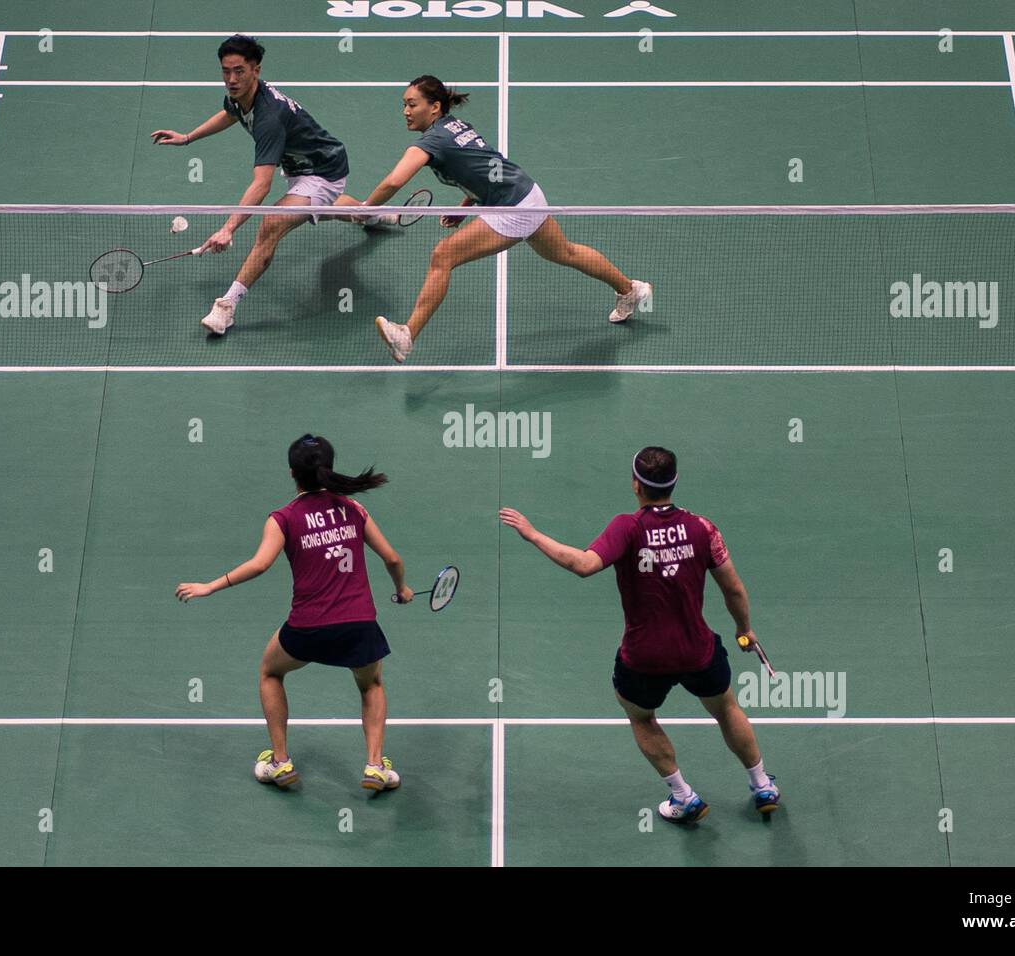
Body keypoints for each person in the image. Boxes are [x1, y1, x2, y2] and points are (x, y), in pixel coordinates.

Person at [498, 446, 780, 822]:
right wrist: (744, 629)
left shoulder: (627, 528)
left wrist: (533, 535)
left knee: (641, 717)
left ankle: (684, 796)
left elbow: (582, 565)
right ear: (674, 483)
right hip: (698, 650)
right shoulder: (702, 527)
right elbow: (734, 589)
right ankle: (762, 785)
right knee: (726, 709)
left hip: (643, 657)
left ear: (636, 485)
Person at [176, 434, 410, 793]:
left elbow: (259, 564)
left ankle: (281, 762)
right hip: (358, 625)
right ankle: (375, 766)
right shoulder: (353, 509)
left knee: (270, 672)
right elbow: (392, 558)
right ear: (328, 470)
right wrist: (401, 590)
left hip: (307, 627)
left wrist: (211, 585)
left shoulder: (283, 518)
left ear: (292, 473)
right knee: (371, 685)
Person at [362, 75, 652, 363]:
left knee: (443, 255)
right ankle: (631, 289)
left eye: (412, 104)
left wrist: (365, 210)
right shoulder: (456, 126)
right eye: (404, 105)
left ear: (435, 107)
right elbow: (483, 165)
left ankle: (407, 335)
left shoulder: (432, 141)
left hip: (512, 205)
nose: (406, 111)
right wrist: (468, 201)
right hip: (526, 192)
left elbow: (393, 182)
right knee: (565, 252)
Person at [151, 35, 392, 336]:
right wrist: (188, 137)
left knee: (273, 222)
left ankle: (226, 307)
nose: (231, 79)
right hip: (301, 165)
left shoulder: (268, 119)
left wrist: (228, 228)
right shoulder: (242, 97)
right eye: (226, 71)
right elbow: (230, 113)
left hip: (323, 171)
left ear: (256, 70)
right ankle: (372, 214)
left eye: (239, 71)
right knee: (318, 209)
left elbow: (261, 186)